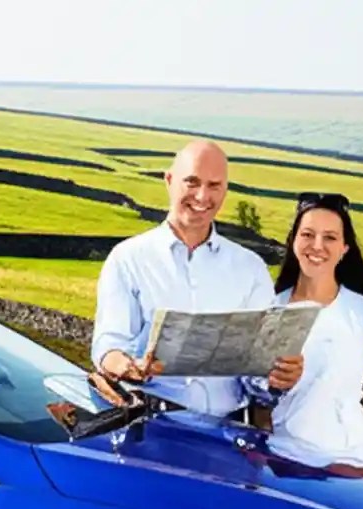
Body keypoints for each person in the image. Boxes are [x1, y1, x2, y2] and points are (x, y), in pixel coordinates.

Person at [91, 139, 303, 417]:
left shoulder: (250, 268)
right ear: (169, 180)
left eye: (214, 185)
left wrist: (278, 377)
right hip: (147, 423)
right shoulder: (128, 258)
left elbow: (256, 373)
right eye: (191, 182)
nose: (203, 197)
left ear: (225, 190)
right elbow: (109, 345)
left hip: (227, 434)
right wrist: (124, 365)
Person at [266, 192, 363, 479]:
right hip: (282, 463)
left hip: (352, 462)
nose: (317, 246)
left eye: (330, 237)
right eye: (307, 234)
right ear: (294, 241)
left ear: (345, 248)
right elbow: (257, 399)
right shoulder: (269, 310)